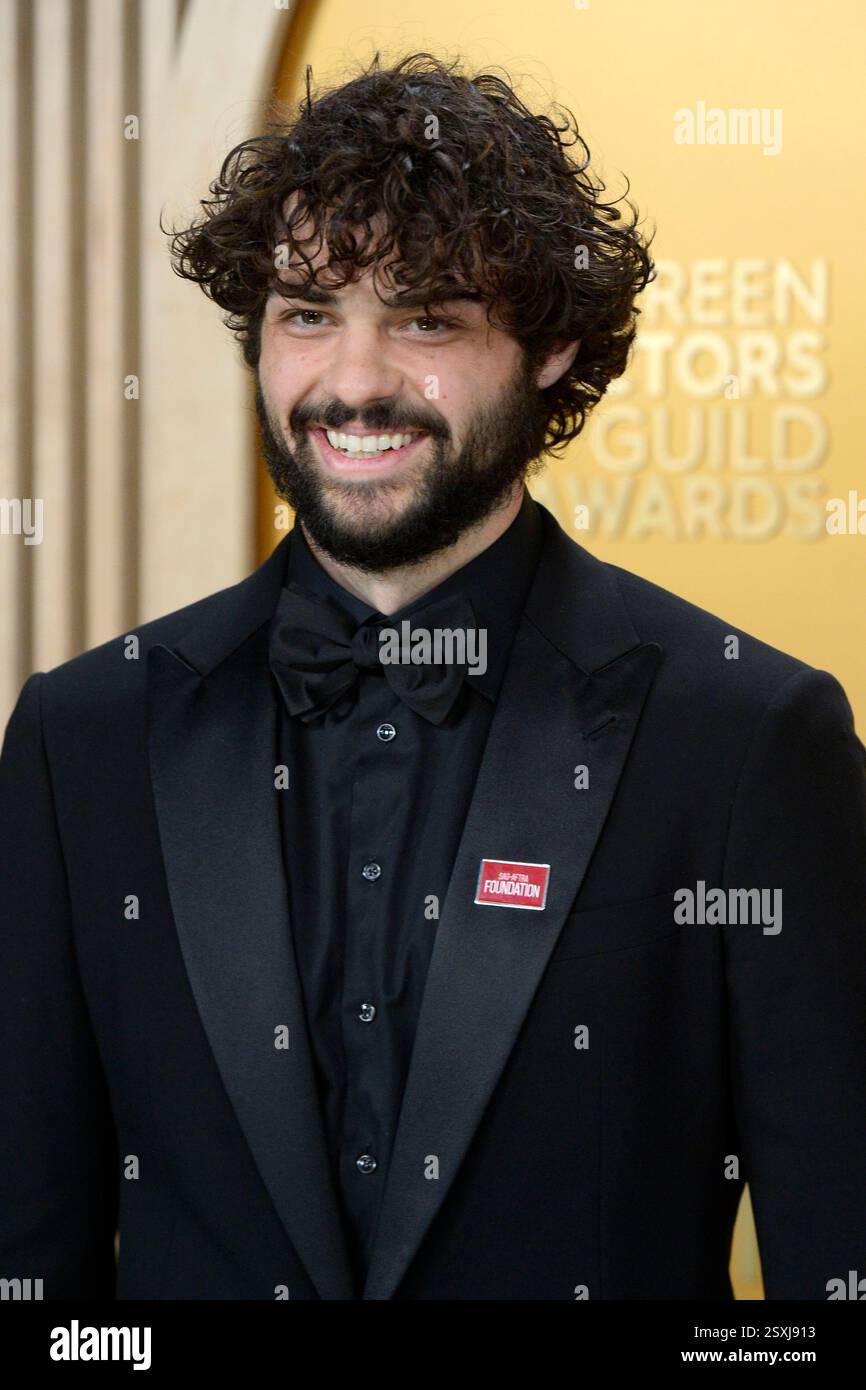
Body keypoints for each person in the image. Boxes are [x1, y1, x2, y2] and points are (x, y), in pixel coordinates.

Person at [2, 51, 864, 1302]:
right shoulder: (80, 738)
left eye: (425, 319)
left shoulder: (746, 737)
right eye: (307, 313)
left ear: (553, 347)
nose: (352, 384)